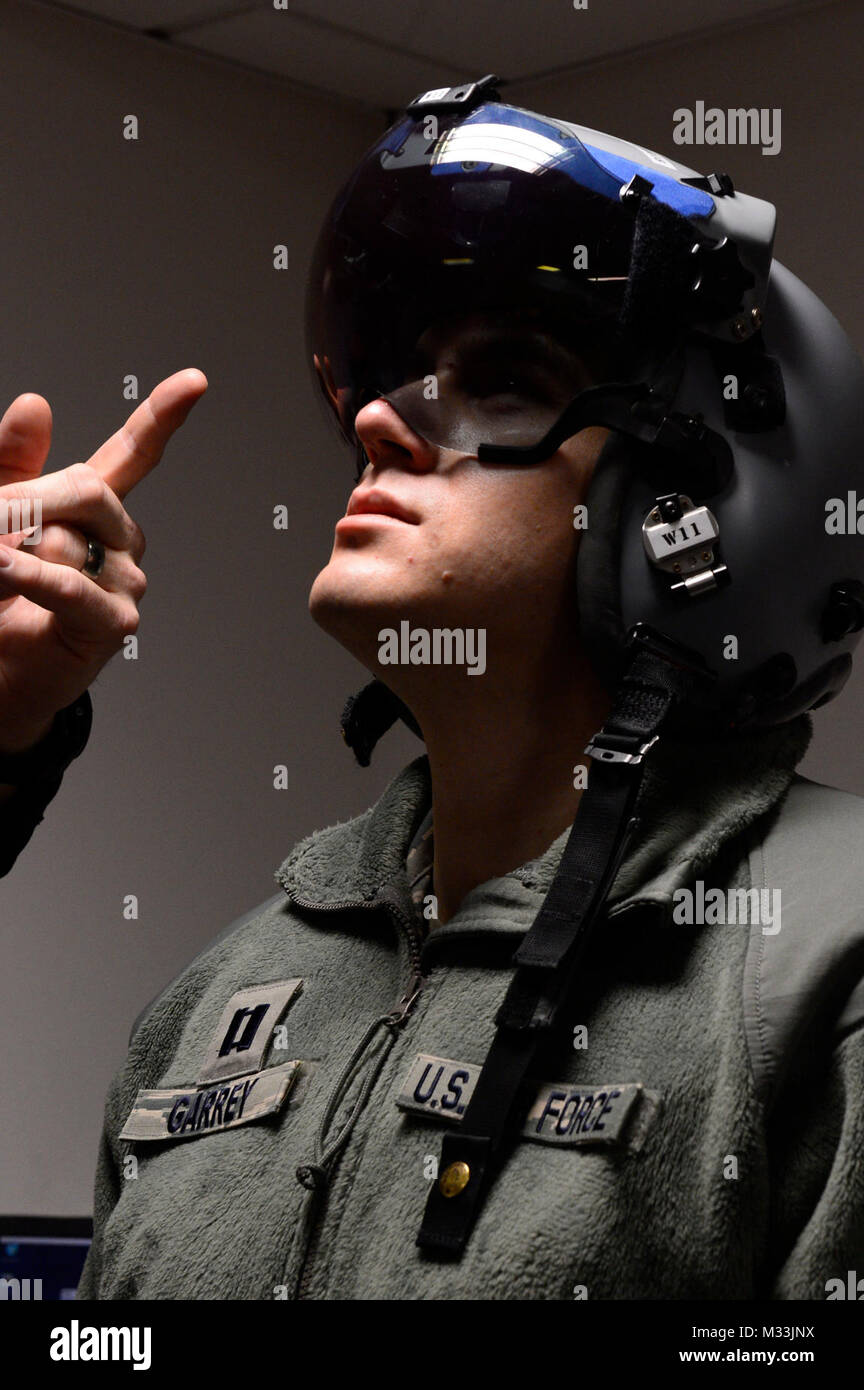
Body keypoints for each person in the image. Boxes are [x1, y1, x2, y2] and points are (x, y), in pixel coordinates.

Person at [6, 77, 864, 1300]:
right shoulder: (218, 996)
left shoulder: (828, 976)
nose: (377, 423)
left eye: (502, 383)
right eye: (395, 379)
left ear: (703, 513)